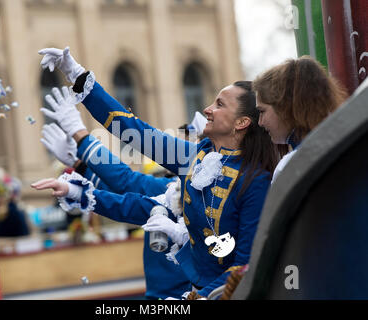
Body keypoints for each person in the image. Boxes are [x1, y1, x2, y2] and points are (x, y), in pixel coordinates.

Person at [32, 46, 280, 299]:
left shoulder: (255, 180)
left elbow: (244, 265)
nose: (207, 109)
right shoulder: (194, 157)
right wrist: (77, 74)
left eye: (219, 104)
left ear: (241, 122)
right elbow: (135, 131)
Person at [40, 118, 190, 300]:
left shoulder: (177, 190)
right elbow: (121, 194)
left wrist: (80, 139)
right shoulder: (174, 190)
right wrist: (79, 168)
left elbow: (125, 183)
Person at [253, 56, 348, 182]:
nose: (260, 122)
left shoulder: (289, 166)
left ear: (284, 106)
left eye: (262, 111)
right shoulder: (348, 138)